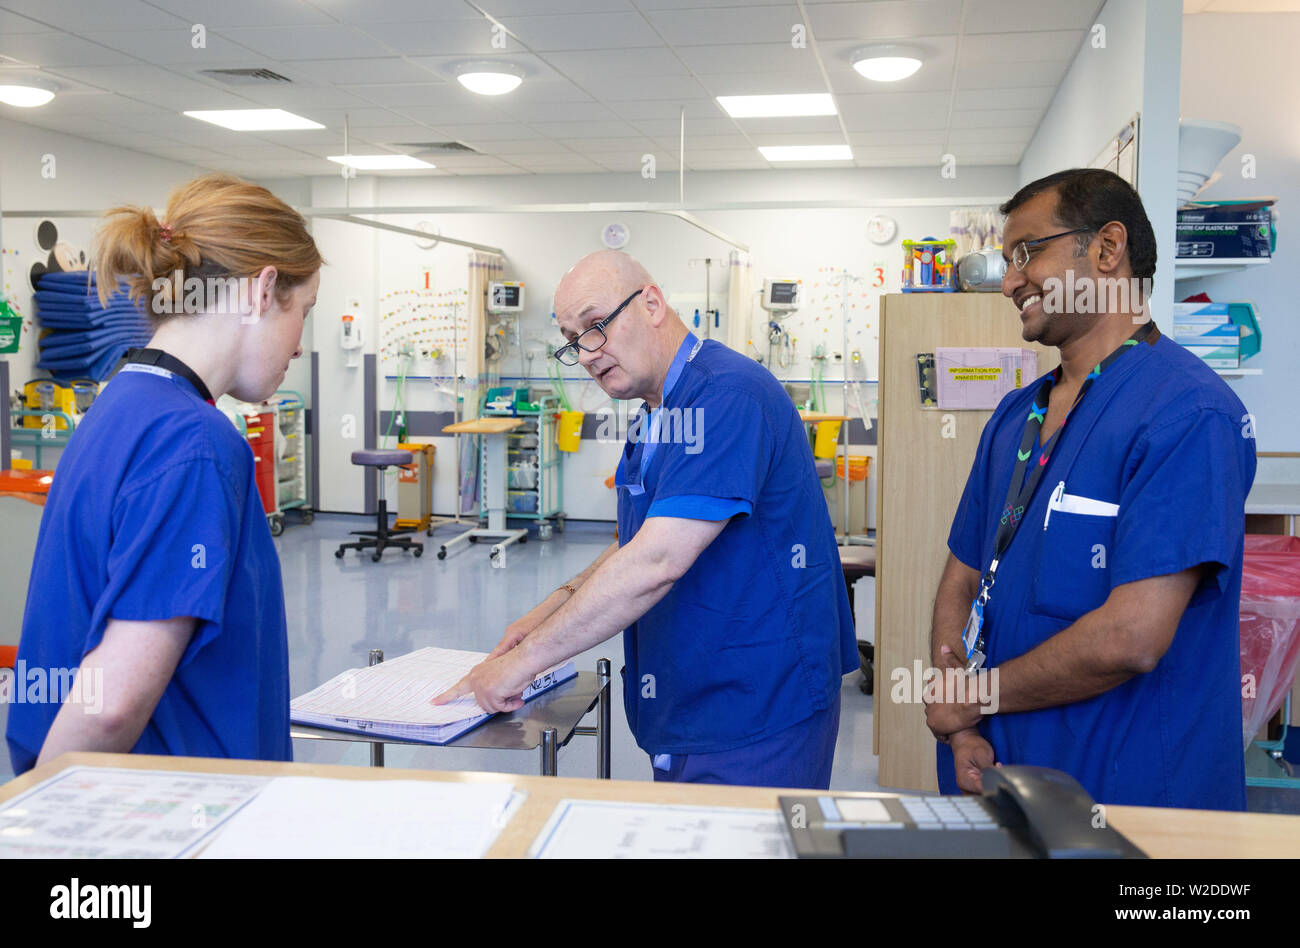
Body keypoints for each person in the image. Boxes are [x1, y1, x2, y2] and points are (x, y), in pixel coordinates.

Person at [435, 250, 858, 788]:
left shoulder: (728, 395)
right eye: (572, 339)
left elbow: (657, 560)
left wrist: (518, 668)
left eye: (595, 326)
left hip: (757, 706)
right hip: (692, 700)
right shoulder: (657, 414)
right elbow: (636, 541)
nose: (586, 353)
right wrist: (545, 614)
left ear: (652, 302)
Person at [923, 168, 1255, 810]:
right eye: (1005, 259)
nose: (1010, 281)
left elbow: (1131, 637)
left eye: (1027, 252)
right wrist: (961, 722)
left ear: (1106, 249)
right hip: (994, 774)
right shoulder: (1016, 415)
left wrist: (975, 695)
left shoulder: (1188, 415)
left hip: (1127, 794)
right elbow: (964, 575)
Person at [6, 174, 322, 774]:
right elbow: (112, 703)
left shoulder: (120, 404)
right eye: (303, 311)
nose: (301, 345)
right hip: (166, 813)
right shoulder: (196, 444)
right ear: (261, 291)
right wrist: (32, 830)